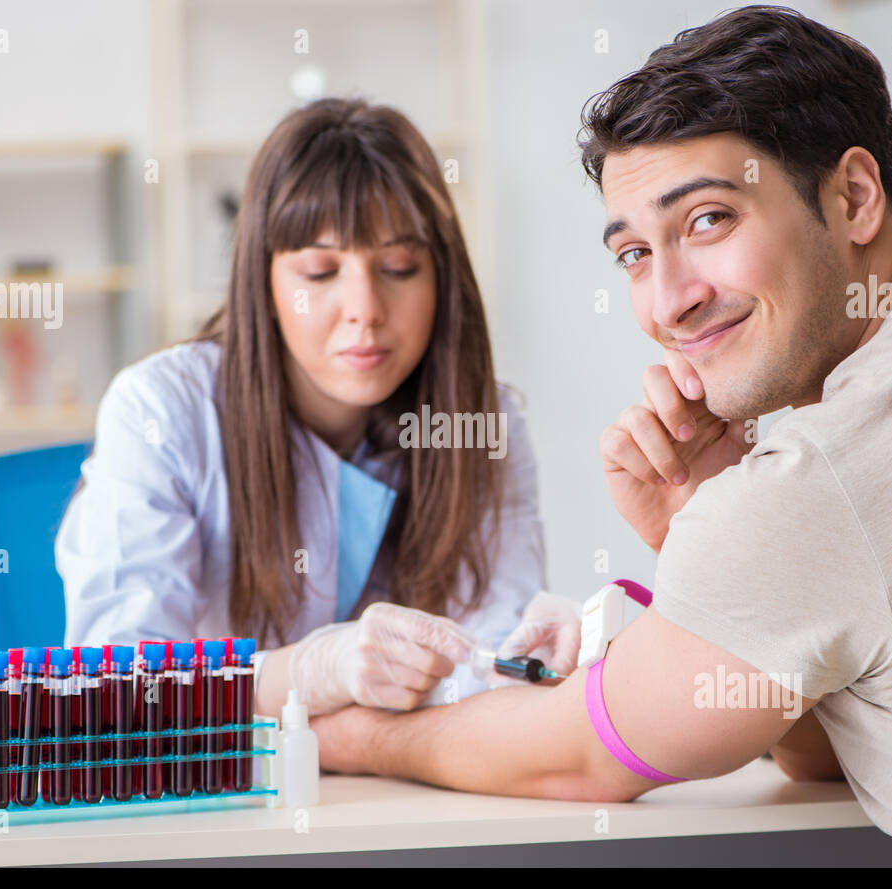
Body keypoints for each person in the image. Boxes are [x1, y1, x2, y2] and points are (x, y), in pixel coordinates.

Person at [309, 6, 892, 867]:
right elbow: (835, 741)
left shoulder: (815, 484)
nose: (667, 301)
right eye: (635, 254)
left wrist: (351, 733)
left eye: (708, 220)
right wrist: (707, 531)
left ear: (855, 198)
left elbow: (574, 756)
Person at [56, 98, 545, 716]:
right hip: (221, 798)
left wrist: (538, 661)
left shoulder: (478, 426)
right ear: (262, 282)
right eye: (320, 272)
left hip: (406, 800)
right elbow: (120, 690)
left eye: (399, 266)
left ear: (442, 280)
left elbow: (495, 678)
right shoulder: (161, 410)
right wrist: (311, 674)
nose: (364, 308)